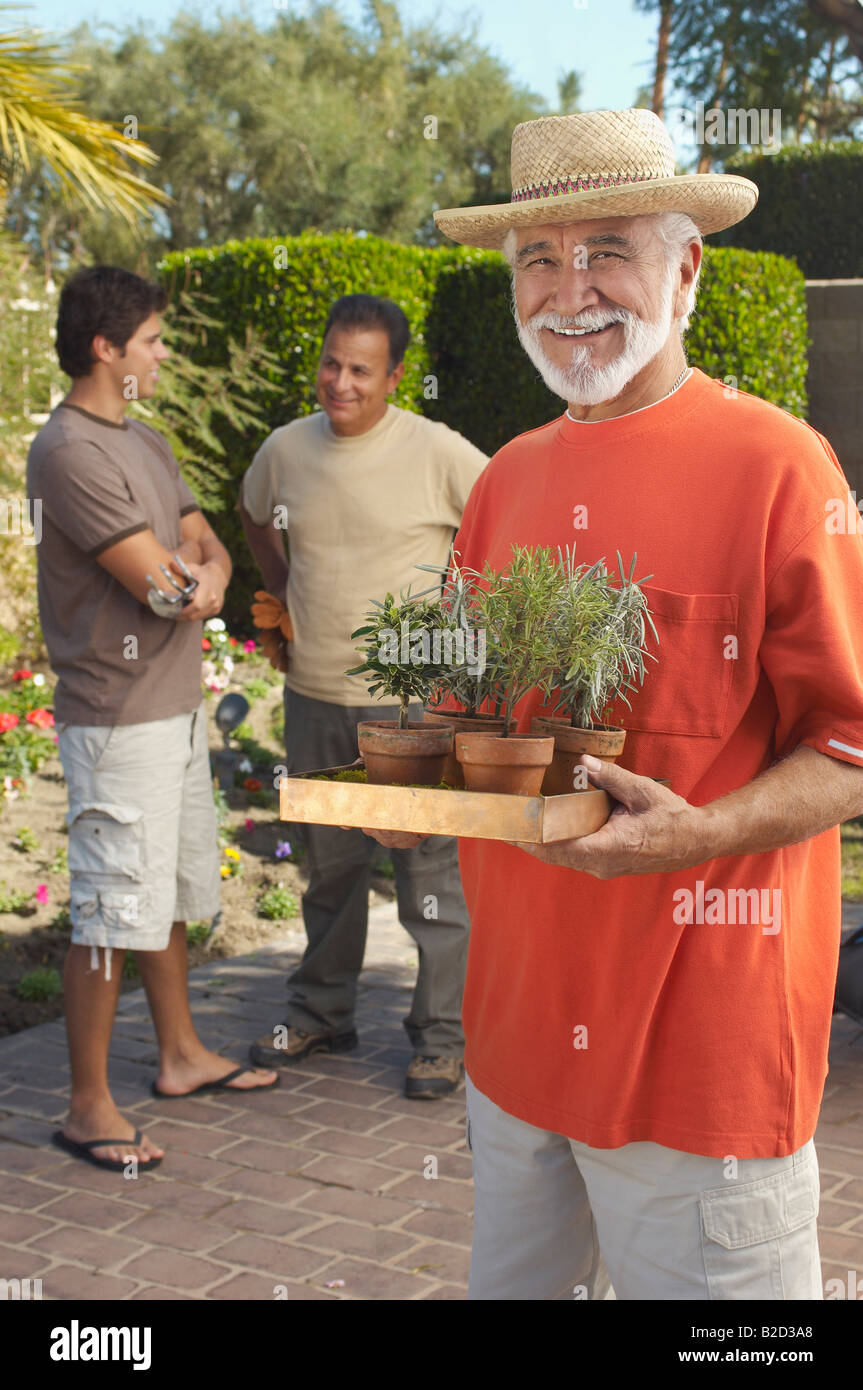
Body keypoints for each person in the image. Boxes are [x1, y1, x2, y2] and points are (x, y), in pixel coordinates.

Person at [368, 108, 863, 1296]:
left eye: (605, 249)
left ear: (684, 265)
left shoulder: (780, 468)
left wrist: (697, 836)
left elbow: (848, 742)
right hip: (515, 1044)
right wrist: (409, 785)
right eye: (537, 258)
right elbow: (467, 713)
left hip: (700, 1070)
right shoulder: (505, 481)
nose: (567, 288)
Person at [27, 266, 277, 1174]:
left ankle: (180, 1057)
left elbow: (197, 549)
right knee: (109, 909)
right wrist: (196, 580)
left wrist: (196, 579)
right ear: (106, 348)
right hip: (115, 716)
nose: (165, 354)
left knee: (162, 891)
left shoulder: (145, 438)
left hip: (170, 706)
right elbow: (173, 584)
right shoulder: (69, 452)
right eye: (154, 341)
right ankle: (88, 1106)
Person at [240, 294, 487, 1098]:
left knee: (430, 881)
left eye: (359, 370)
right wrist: (283, 594)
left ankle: (441, 1038)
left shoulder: (437, 451)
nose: (338, 383)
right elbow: (254, 517)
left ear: (394, 376)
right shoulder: (284, 451)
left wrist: (459, 642)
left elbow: (501, 528)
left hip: (411, 709)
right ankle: (319, 1012)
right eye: (329, 363)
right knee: (330, 873)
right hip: (315, 694)